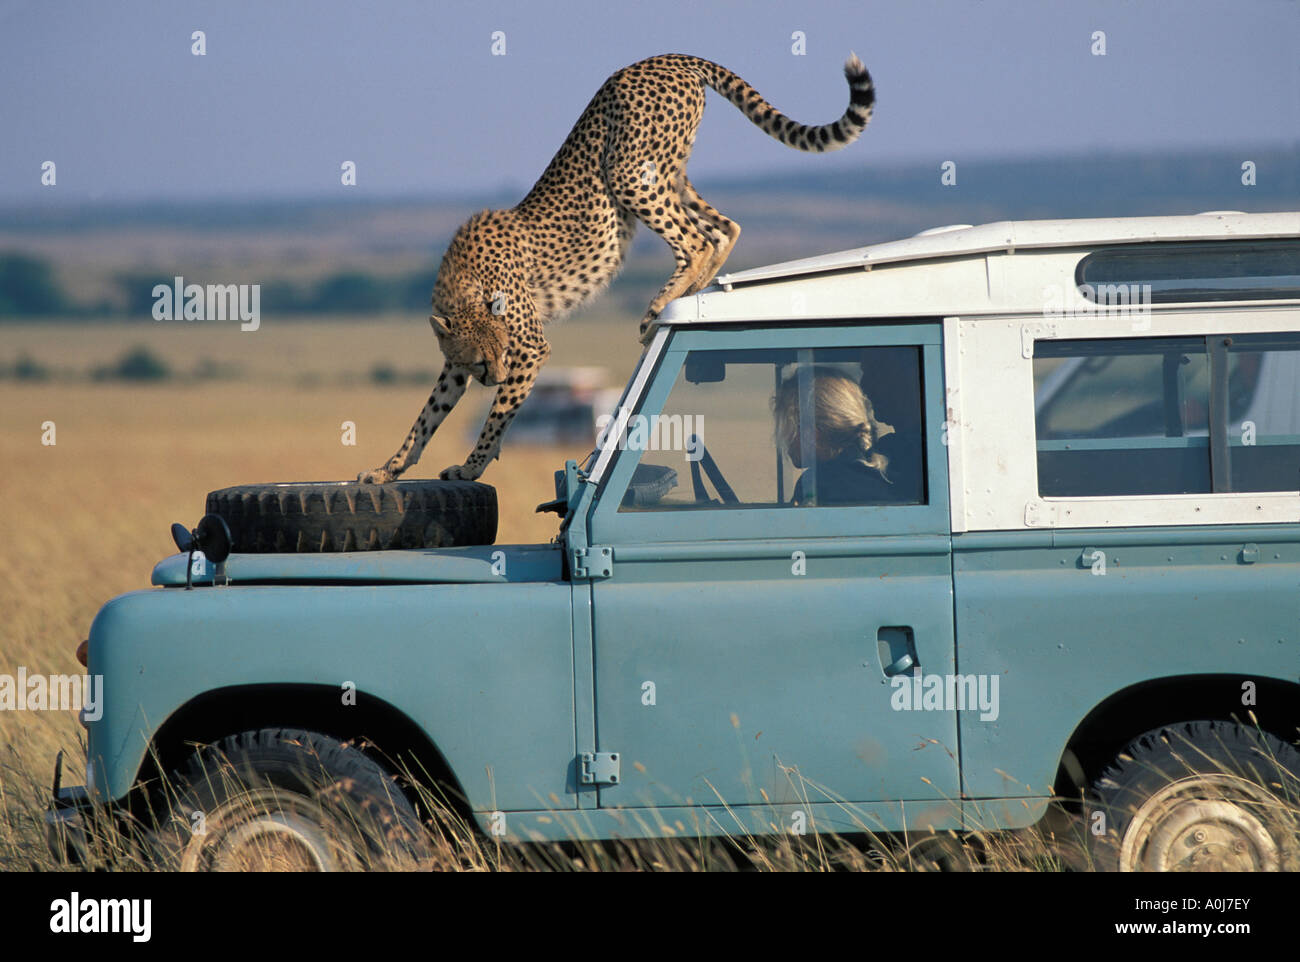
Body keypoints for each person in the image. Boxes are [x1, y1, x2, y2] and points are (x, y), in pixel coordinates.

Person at [772, 367, 921, 505]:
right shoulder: (887, 471)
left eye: (786, 427)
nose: (785, 439)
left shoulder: (819, 485)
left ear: (811, 433)